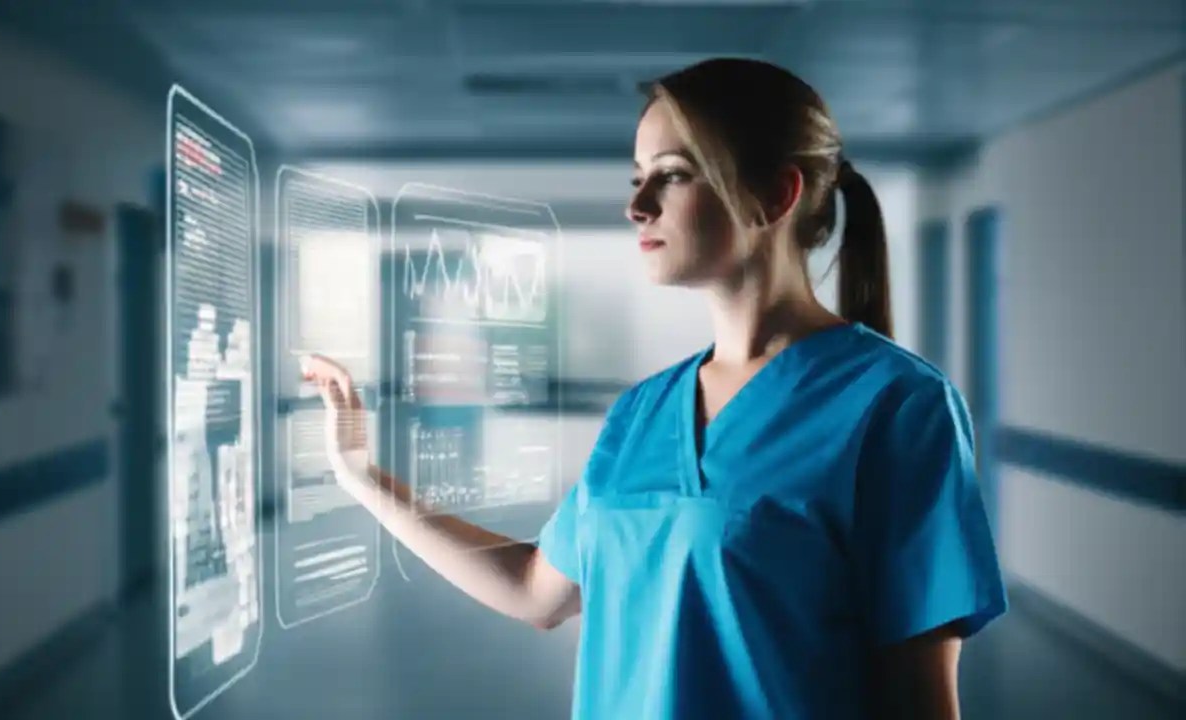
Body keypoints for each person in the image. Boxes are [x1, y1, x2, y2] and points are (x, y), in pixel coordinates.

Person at [301, 57, 1007, 720]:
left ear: (775, 195)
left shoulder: (896, 406)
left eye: (670, 175)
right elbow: (535, 591)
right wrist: (362, 476)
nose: (637, 205)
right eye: (637, 176)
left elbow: (921, 700)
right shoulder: (642, 412)